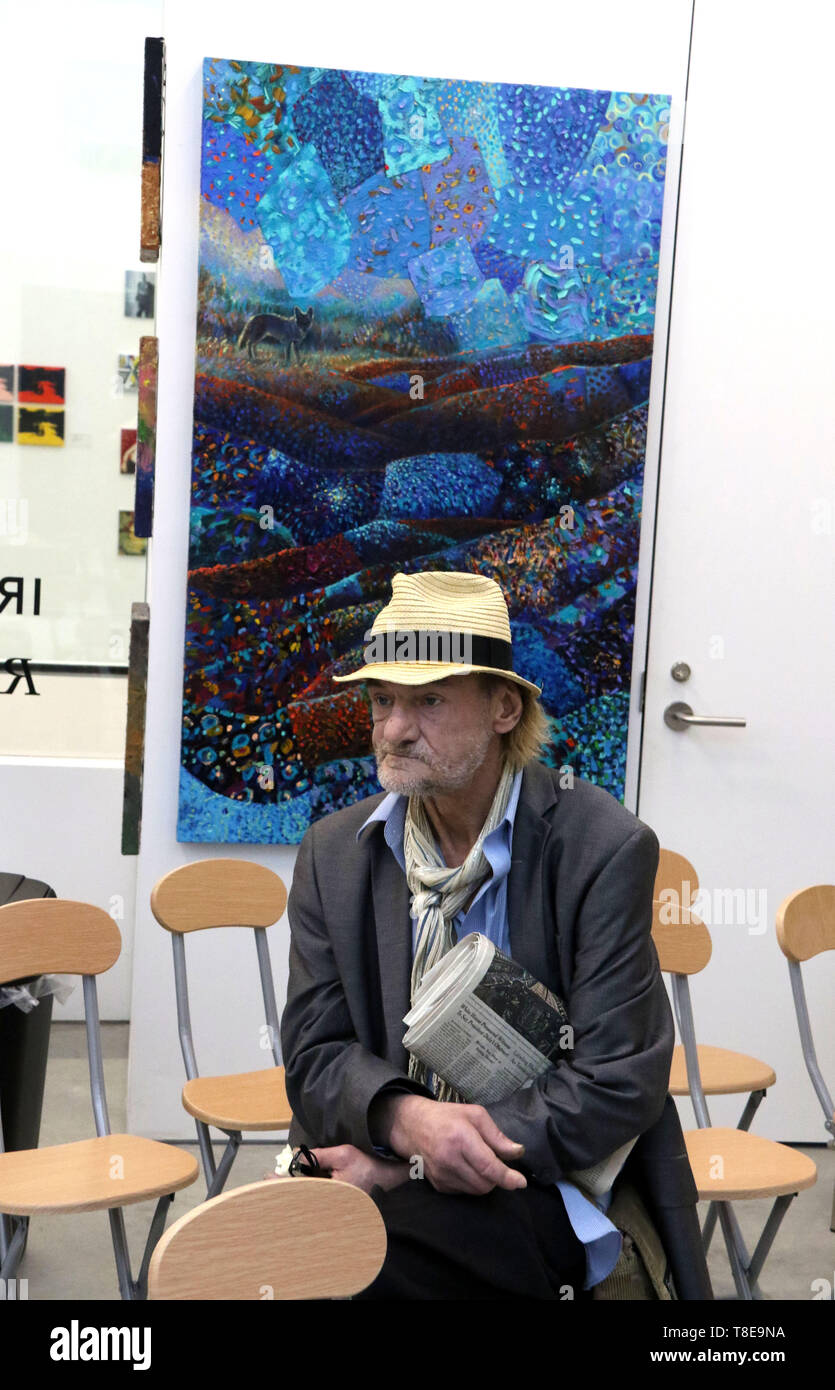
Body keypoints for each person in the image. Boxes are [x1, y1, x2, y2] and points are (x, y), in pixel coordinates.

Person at [280, 569, 675, 1299]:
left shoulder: (599, 848)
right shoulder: (335, 853)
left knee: (368, 1272)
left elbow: (617, 1080)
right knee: (233, 1262)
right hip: (377, 1149)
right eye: (382, 700)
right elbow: (312, 1057)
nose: (394, 728)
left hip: (545, 1180)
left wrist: (418, 1163)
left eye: (428, 700)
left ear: (503, 707)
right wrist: (406, 1120)